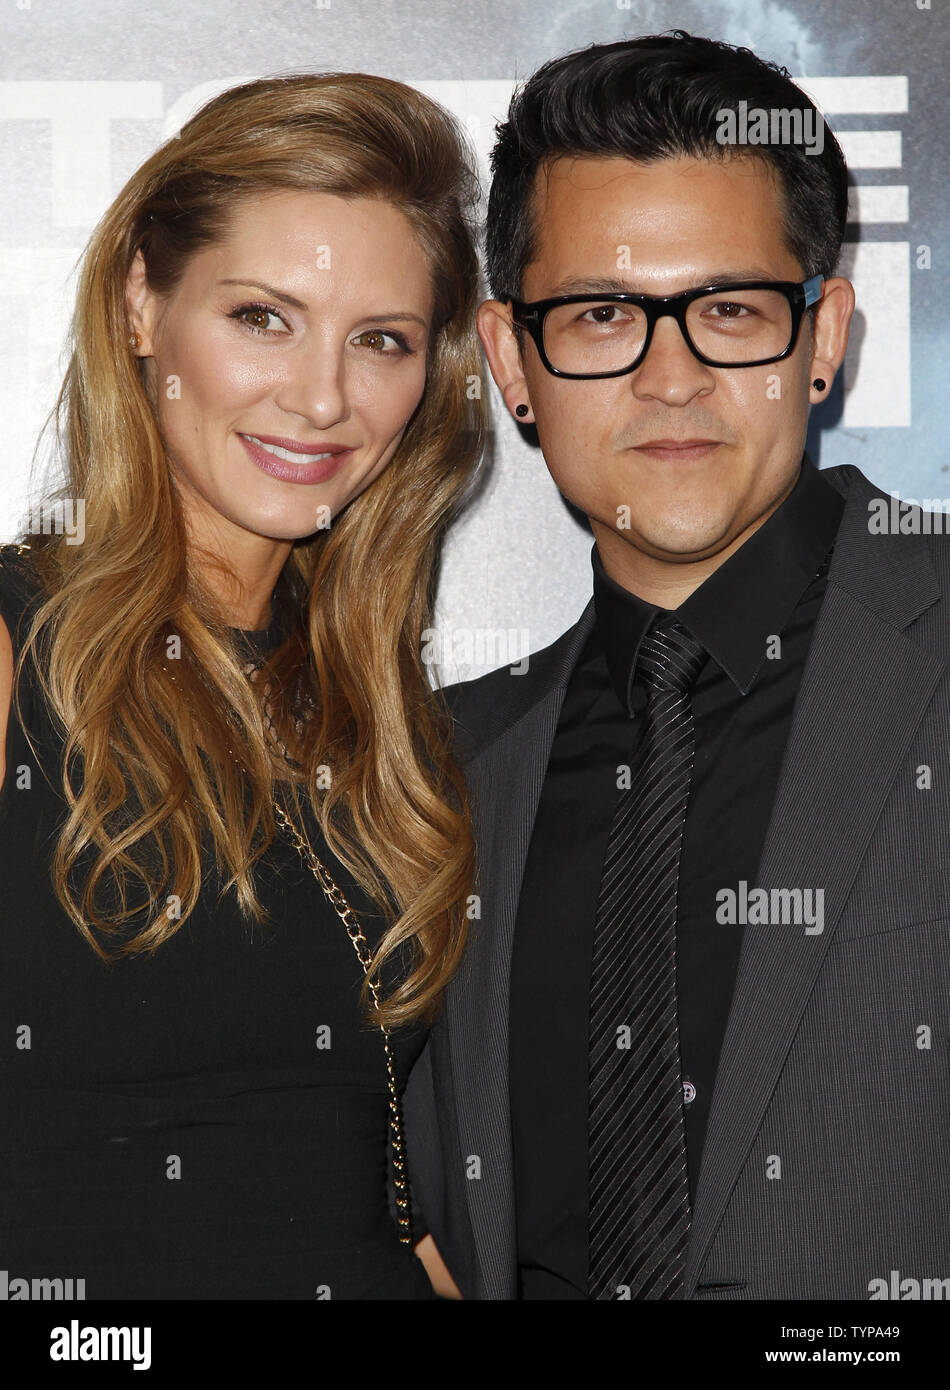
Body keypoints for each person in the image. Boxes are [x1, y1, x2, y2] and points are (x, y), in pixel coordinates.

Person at [404, 31, 950, 1300]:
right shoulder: (436, 767)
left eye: (729, 311)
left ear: (823, 338)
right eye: (599, 314)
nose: (669, 376)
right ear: (509, 359)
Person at [0, 71, 482, 1300]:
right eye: (264, 316)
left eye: (380, 339)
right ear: (141, 305)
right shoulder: (15, 653)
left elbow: (369, 1173)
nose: (322, 398)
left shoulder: (390, 723)